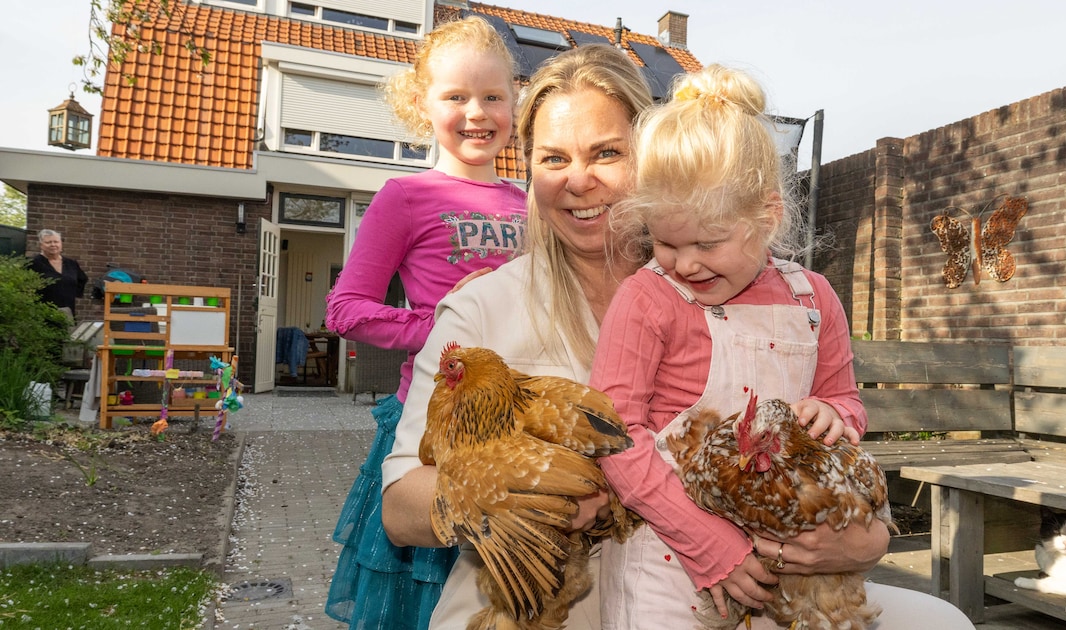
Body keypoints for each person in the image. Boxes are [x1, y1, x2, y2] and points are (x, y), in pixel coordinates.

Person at [590, 65, 973, 630]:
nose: (685, 263)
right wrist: (710, 545)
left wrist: (833, 415)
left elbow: (846, 400)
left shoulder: (812, 297)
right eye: (665, 242)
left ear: (767, 217)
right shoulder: (647, 298)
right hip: (671, 562)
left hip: (789, 570)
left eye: (708, 242)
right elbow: (616, 438)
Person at [379, 43, 654, 629]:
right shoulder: (481, 307)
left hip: (681, 596)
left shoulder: (707, 292)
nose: (578, 181)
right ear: (527, 167)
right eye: (553, 159)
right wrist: (521, 487)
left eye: (607, 153)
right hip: (523, 606)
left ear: (647, 156)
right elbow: (401, 504)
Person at [322, 15, 527, 629]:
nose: (477, 113)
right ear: (421, 102)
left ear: (515, 102)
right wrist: (437, 331)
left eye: (494, 96)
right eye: (457, 97)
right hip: (432, 430)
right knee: (425, 599)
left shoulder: (533, 202)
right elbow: (346, 308)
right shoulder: (404, 198)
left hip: (519, 426)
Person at [30, 229, 88, 320]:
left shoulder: (71, 263)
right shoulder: (32, 263)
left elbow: (82, 279)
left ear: (61, 244)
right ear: (41, 245)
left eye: (56, 242)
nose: (53, 245)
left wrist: (69, 292)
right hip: (42, 315)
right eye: (48, 242)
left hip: (67, 313)